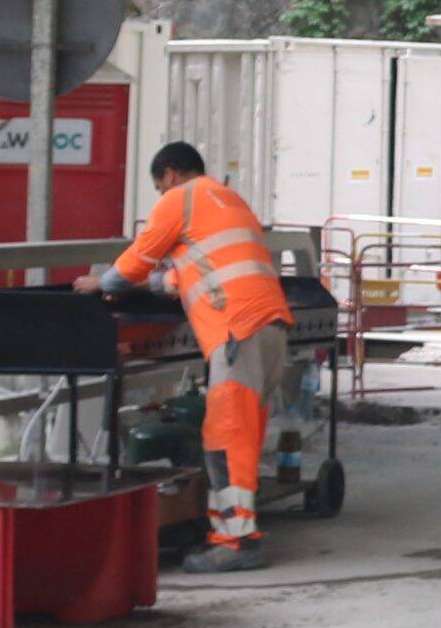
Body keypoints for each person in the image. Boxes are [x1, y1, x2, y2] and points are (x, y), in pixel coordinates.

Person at [77, 141, 295, 572]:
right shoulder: (228, 200)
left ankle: (237, 543)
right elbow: (183, 276)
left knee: (224, 438)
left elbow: (136, 262)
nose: (161, 197)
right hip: (269, 328)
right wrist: (146, 285)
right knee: (241, 436)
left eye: (160, 188)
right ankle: (232, 531)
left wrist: (101, 281)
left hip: (237, 330)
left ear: (171, 175)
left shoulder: (180, 199)